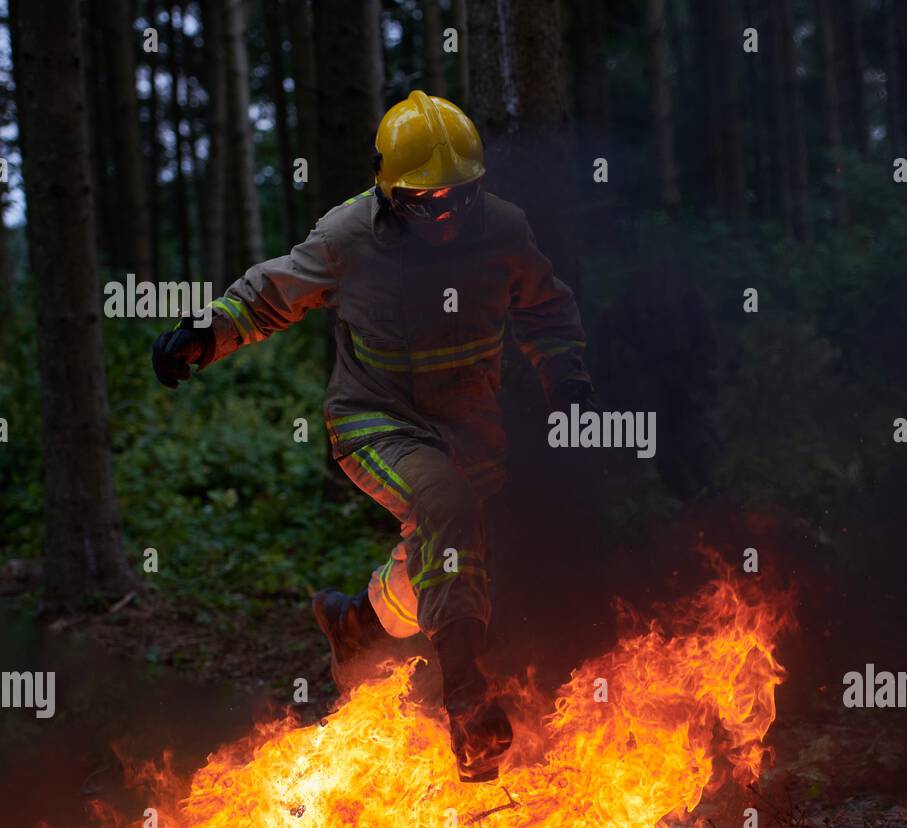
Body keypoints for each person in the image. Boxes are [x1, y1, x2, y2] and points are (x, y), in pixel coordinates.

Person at [151, 91, 597, 783]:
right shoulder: (349, 235)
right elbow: (273, 292)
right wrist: (205, 333)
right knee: (446, 507)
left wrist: (567, 383)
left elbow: (546, 309)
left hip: (469, 431)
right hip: (374, 421)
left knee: (450, 545)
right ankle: (466, 703)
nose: (447, 213)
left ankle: (358, 623)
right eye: (428, 200)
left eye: (461, 196)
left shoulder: (505, 230)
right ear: (390, 192)